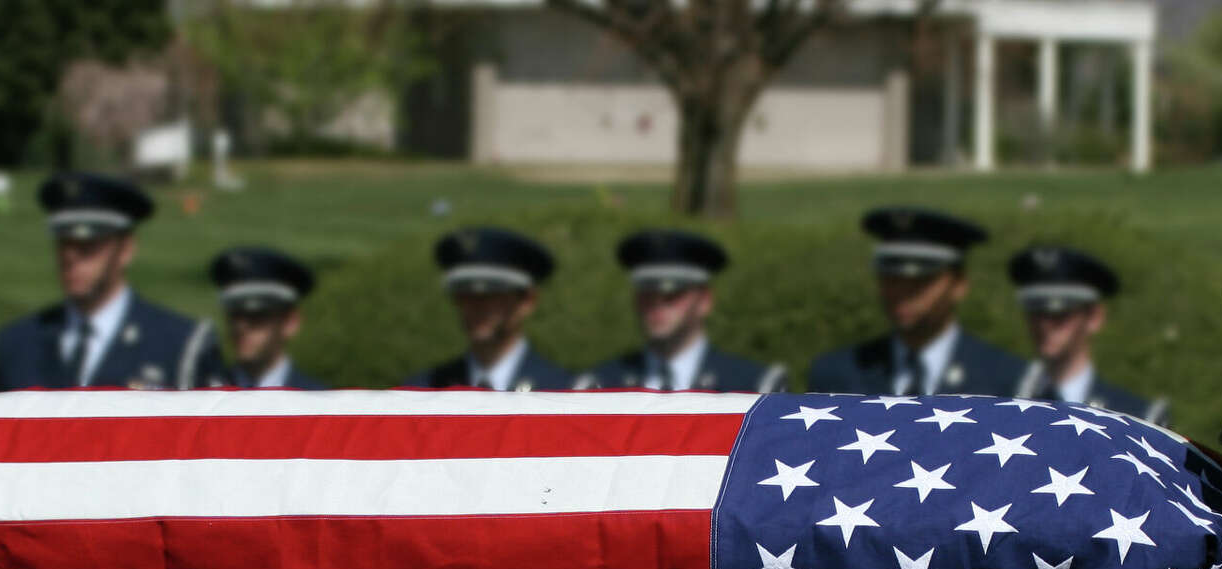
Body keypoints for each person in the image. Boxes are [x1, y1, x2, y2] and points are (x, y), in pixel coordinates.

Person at [0, 172, 224, 393]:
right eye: (64, 243)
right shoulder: (17, 344)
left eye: (88, 245)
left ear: (126, 249)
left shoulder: (180, 346)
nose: (71, 257)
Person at [807, 207, 1025, 397]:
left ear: (959, 285)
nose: (902, 292)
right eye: (892, 278)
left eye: (921, 281)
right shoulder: (836, 376)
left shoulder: (1007, 381)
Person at [580, 229, 786, 392]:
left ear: (705, 300)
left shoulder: (755, 387)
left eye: (672, 296)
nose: (657, 305)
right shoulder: (598, 386)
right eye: (647, 294)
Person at [1008, 245, 1169, 423]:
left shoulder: (1137, 417)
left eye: (1059, 315)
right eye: (1037, 313)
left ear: (1094, 317)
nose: (1045, 325)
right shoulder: (1002, 399)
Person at [405, 227, 576, 390]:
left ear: (527, 301)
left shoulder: (563, 393)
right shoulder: (424, 390)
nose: (477, 306)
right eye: (466, 294)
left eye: (492, 295)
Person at [208, 246, 328, 389]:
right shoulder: (206, 394)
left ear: (290, 323)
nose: (241, 327)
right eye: (235, 315)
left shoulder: (318, 402)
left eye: (256, 317)